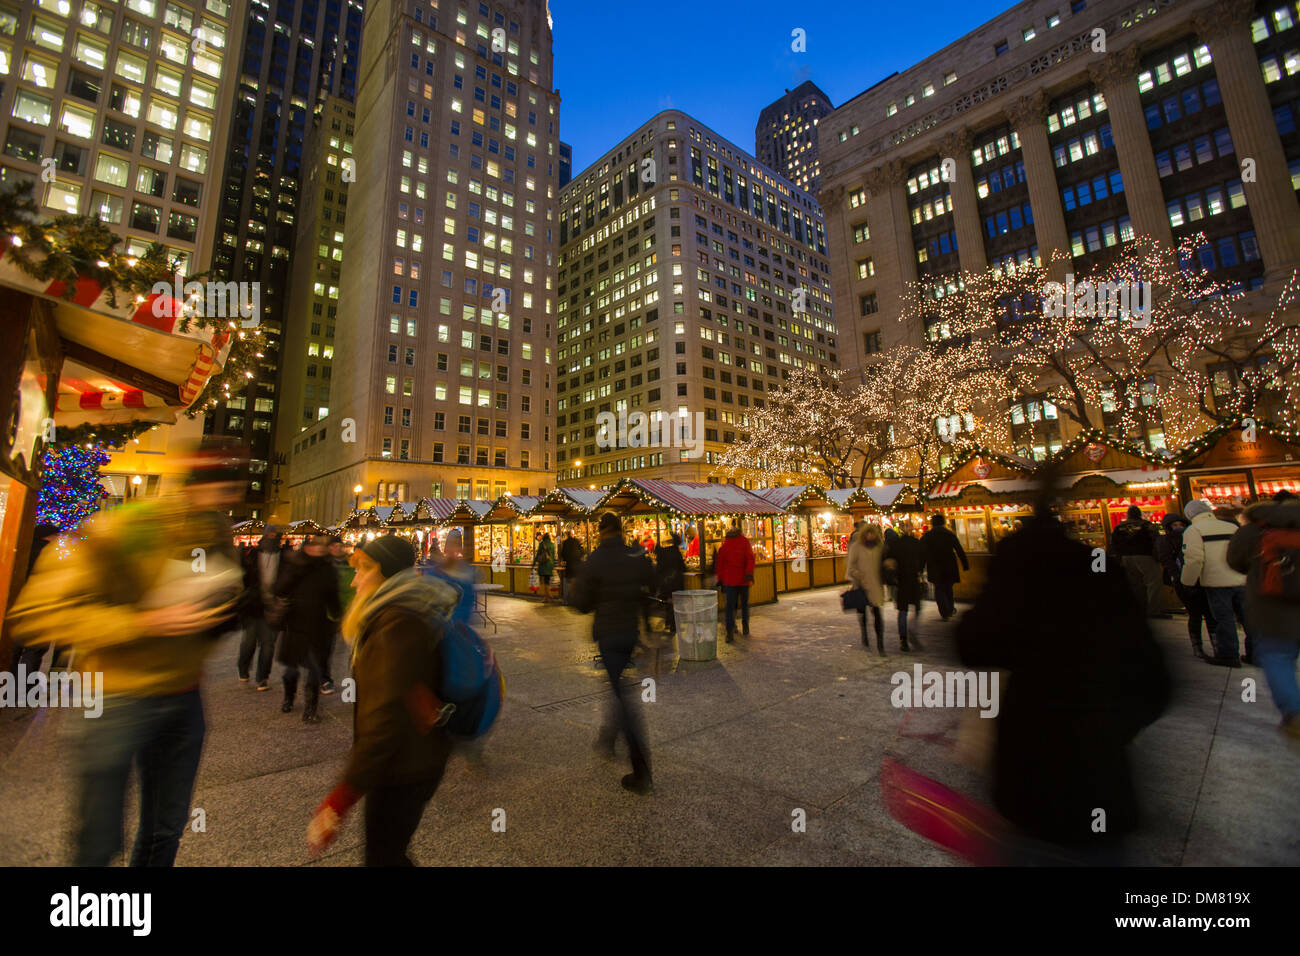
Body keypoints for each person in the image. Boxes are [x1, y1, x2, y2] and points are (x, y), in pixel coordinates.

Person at [9, 443, 246, 866]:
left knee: (166, 830)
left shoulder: (216, 533)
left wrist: (224, 610)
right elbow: (38, 612)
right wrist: (144, 622)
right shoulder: (125, 526)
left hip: (184, 697)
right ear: (194, 484)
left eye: (232, 494)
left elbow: (224, 598)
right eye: (221, 489)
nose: (225, 503)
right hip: (115, 699)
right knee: (97, 840)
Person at [956, 500, 1169, 864]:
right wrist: (1111, 728)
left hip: (1030, 793)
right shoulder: (1103, 585)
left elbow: (972, 644)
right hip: (1103, 787)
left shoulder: (1017, 595)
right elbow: (1156, 683)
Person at [306, 535, 460, 865]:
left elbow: (383, 718)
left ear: (386, 573)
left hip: (405, 766)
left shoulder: (397, 622)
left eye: (364, 569)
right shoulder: (400, 611)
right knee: (389, 854)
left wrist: (341, 797)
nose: (356, 579)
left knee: (383, 857)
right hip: (413, 758)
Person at [569, 512, 654, 794]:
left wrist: (585, 594)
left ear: (600, 531)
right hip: (630, 632)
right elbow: (651, 580)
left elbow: (580, 603)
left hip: (608, 634)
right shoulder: (634, 555)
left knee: (623, 697)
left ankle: (641, 769)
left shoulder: (595, 560)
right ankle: (608, 737)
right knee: (618, 687)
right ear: (620, 529)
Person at [1227, 490, 1300, 737]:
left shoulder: (1252, 530)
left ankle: (1295, 713)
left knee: (1278, 658)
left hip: (1271, 608)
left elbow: (1235, 561)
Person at [274, 533, 341, 722]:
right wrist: (295, 571)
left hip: (317, 625)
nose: (318, 549)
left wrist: (337, 615)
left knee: (314, 668)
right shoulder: (295, 565)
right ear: (306, 547)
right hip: (295, 624)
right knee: (291, 669)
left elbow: (332, 596)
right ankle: (288, 699)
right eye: (314, 545)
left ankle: (311, 709)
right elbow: (280, 589)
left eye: (321, 546)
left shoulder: (327, 569)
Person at [1181, 500, 1253, 667]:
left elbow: (1194, 559)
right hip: (1240, 579)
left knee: (1224, 619)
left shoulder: (1194, 530)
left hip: (1216, 582)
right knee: (1248, 619)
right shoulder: (1231, 527)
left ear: (1190, 515)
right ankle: (1256, 654)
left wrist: (1187, 582)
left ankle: (1229, 655)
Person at [1157, 513, 1216, 659]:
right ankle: (1198, 647)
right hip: (1184, 580)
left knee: (1209, 614)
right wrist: (1177, 577)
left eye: (1180, 525)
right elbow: (1167, 560)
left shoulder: (1192, 536)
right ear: (1168, 527)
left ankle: (1216, 645)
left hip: (1200, 578)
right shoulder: (1165, 541)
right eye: (1175, 525)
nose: (1178, 528)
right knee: (1195, 614)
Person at [8, 522, 61, 676]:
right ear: (49, 536)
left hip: (19, 604)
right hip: (41, 606)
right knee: (34, 649)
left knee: (15, 648)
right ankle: (25, 687)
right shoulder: (50, 554)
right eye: (56, 536)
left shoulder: (22, 549)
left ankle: (7, 684)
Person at [237, 528, 282, 691]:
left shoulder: (283, 557)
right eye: (269, 534)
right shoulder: (251, 555)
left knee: (268, 644)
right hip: (252, 605)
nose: (272, 538)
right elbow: (242, 577)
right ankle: (243, 668)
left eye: (275, 535)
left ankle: (262, 678)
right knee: (249, 642)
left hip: (272, 608)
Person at [1109, 505, 1166, 618]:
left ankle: (1139, 609)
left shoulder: (1119, 527)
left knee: (1135, 584)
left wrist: (1117, 558)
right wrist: (1159, 556)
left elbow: (1113, 544)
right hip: (1145, 556)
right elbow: (1157, 540)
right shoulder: (1147, 525)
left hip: (1126, 558)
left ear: (1127, 514)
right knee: (1153, 583)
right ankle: (1154, 610)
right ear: (1139, 514)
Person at [883, 521, 924, 652]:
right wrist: (920, 571)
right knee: (917, 609)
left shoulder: (896, 545)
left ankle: (903, 638)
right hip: (913, 579)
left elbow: (888, 562)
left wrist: (892, 577)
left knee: (902, 611)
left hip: (902, 581)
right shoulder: (916, 543)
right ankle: (911, 628)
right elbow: (923, 560)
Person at [847, 523, 887, 654]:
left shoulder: (879, 547)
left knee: (877, 614)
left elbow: (883, 563)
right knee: (863, 612)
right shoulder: (856, 547)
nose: (870, 536)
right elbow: (851, 567)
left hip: (875, 586)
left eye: (872, 533)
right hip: (861, 586)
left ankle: (880, 643)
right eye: (868, 533)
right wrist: (859, 576)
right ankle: (864, 633)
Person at [920, 514, 969, 621]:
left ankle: (944, 611)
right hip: (949, 566)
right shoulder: (949, 534)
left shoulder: (927, 536)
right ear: (943, 522)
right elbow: (959, 549)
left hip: (935, 566)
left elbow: (922, 553)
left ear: (932, 523)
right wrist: (965, 564)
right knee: (948, 588)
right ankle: (950, 608)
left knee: (939, 588)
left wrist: (921, 567)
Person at [713, 521, 755, 643]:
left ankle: (729, 632)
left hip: (729, 581)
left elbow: (720, 564)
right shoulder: (744, 541)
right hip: (743, 580)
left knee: (729, 607)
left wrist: (720, 578)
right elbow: (750, 558)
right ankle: (745, 626)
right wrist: (749, 572)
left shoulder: (725, 544)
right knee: (744, 605)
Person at [653, 532, 687, 635]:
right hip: (676, 582)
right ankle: (673, 624)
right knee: (675, 603)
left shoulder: (662, 555)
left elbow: (658, 570)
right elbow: (683, 567)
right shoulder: (675, 552)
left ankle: (669, 622)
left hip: (666, 583)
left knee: (669, 603)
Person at [559, 530, 586, 603]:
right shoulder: (576, 541)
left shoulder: (565, 542)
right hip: (577, 565)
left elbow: (563, 554)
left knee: (567, 582)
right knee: (576, 582)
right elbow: (582, 552)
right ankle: (575, 599)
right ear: (572, 534)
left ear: (567, 535)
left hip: (569, 566)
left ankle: (567, 600)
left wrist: (566, 559)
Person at [532, 531, 557, 604]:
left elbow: (538, 555)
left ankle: (547, 596)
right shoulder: (552, 545)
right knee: (547, 581)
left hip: (543, 565)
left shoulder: (542, 544)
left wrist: (534, 563)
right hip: (550, 565)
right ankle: (548, 596)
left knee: (545, 581)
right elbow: (553, 555)